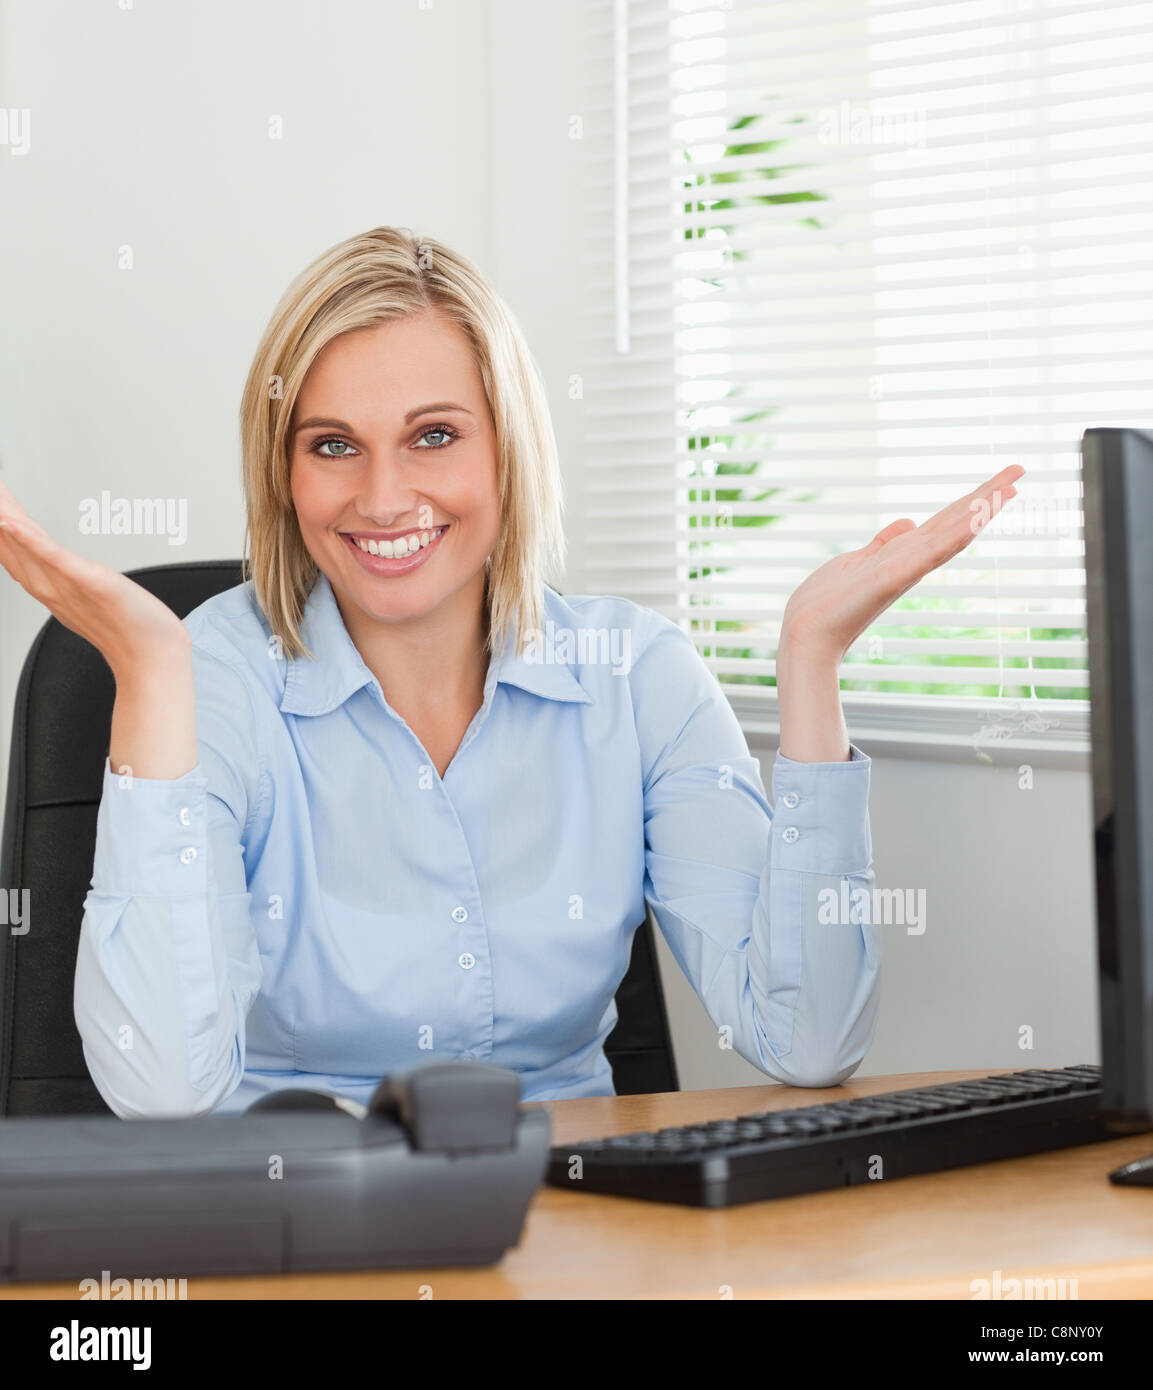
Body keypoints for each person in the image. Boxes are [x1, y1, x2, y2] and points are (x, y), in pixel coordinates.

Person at [0, 226, 1023, 1118]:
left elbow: (809, 1041)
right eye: (333, 445)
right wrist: (148, 670)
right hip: (290, 1228)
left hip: (574, 1227)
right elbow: (164, 1088)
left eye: (434, 435)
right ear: (284, 470)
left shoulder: (638, 677)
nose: (384, 494)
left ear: (508, 450)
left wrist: (810, 660)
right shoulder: (214, 678)